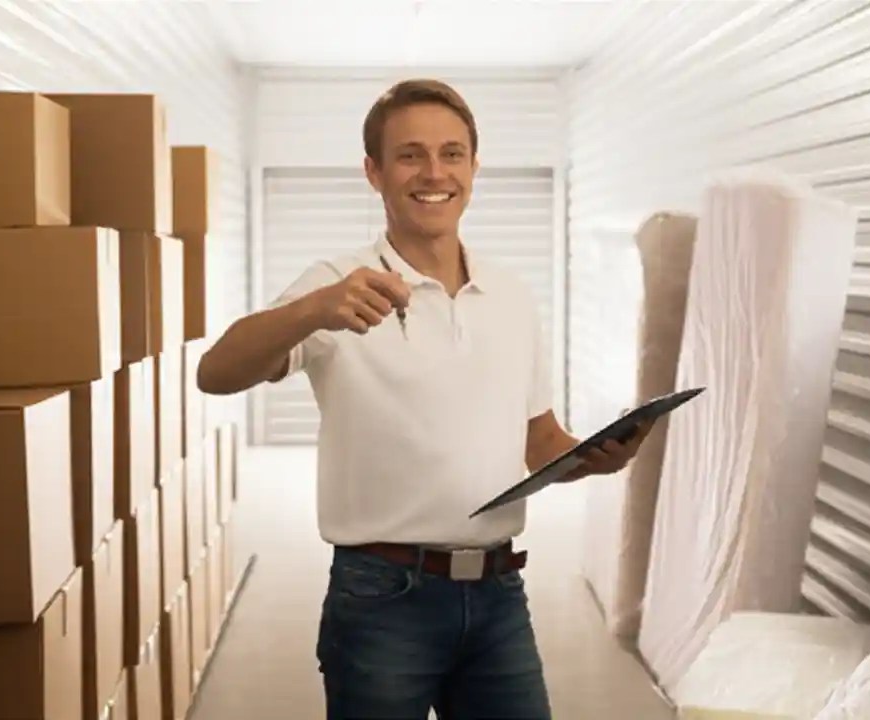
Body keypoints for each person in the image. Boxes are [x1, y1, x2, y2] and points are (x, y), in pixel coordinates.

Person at [197, 78, 650, 720]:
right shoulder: (338, 284)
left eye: (452, 153)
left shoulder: (511, 295)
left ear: (473, 166)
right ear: (373, 172)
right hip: (382, 599)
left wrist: (596, 455)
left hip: (498, 596)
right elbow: (215, 372)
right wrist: (313, 312)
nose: (434, 173)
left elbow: (540, 442)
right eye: (410, 155)